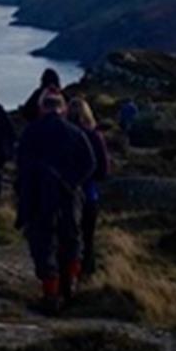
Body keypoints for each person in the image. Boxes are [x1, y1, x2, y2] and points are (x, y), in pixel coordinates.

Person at [15, 90, 96, 313]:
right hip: (69, 197)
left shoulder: (31, 132)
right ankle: (69, 286)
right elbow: (90, 163)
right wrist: (70, 183)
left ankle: (50, 294)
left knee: (43, 243)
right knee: (71, 240)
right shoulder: (75, 132)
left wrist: (23, 194)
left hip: (38, 197)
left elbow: (21, 166)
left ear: (42, 108)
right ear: (63, 109)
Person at [70, 96, 111, 277]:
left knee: (66, 237)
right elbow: (103, 169)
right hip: (89, 192)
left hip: (64, 192)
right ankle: (87, 273)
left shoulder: (64, 134)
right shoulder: (95, 136)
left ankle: (67, 276)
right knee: (88, 237)